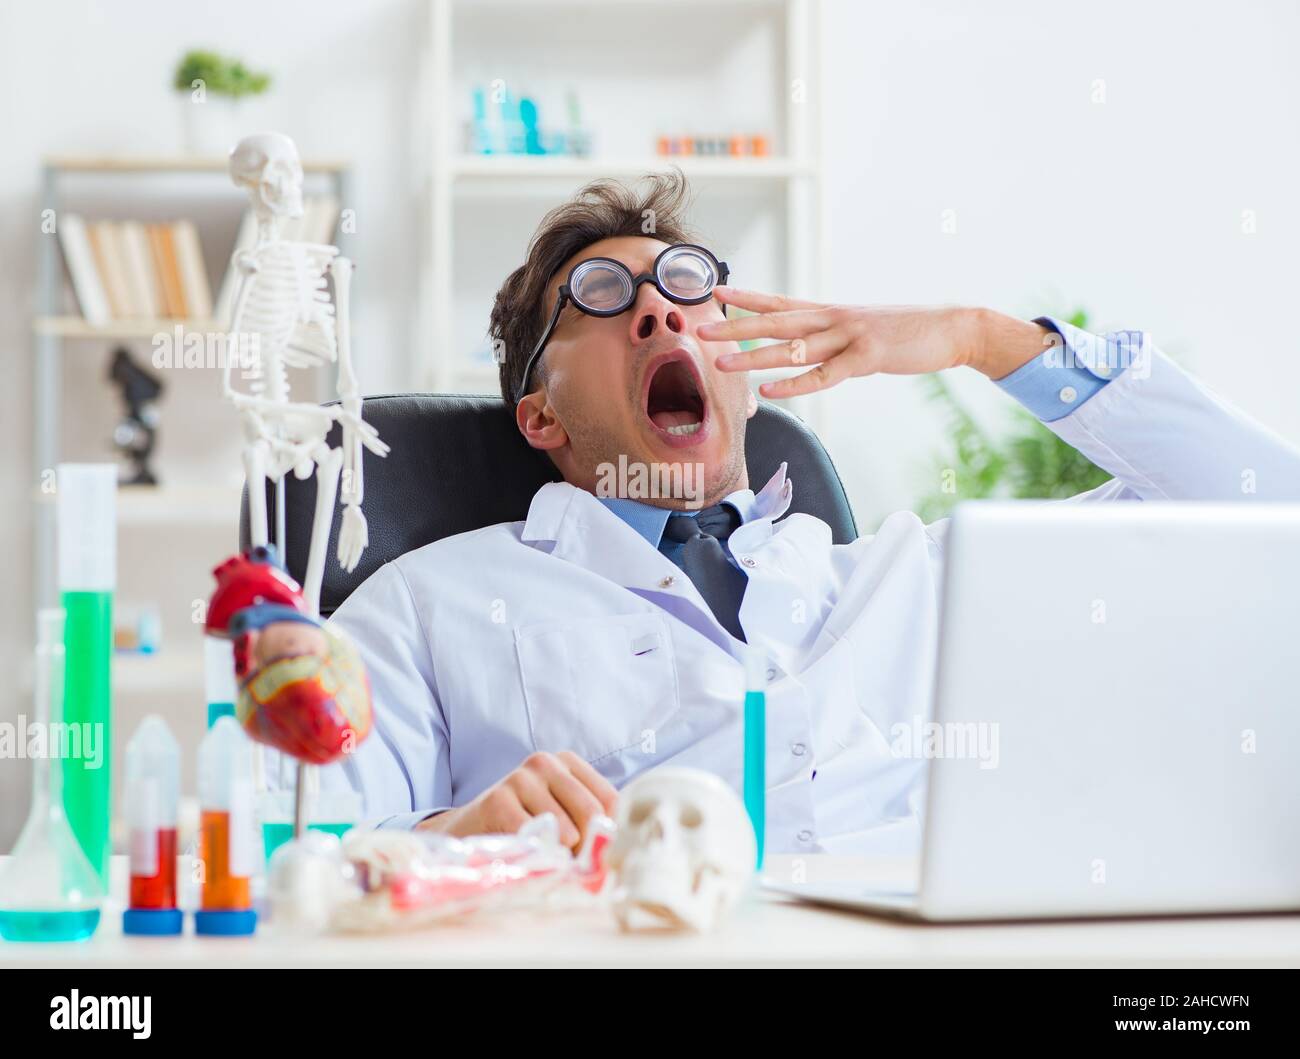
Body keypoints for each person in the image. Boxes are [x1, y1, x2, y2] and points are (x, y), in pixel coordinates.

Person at [313, 172, 1300, 856]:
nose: (659, 313)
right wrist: (454, 841)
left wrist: (979, 338)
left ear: (746, 375)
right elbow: (296, 840)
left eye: (689, 290)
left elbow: (1264, 507)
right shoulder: (429, 602)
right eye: (601, 301)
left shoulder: (910, 578)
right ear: (538, 414)